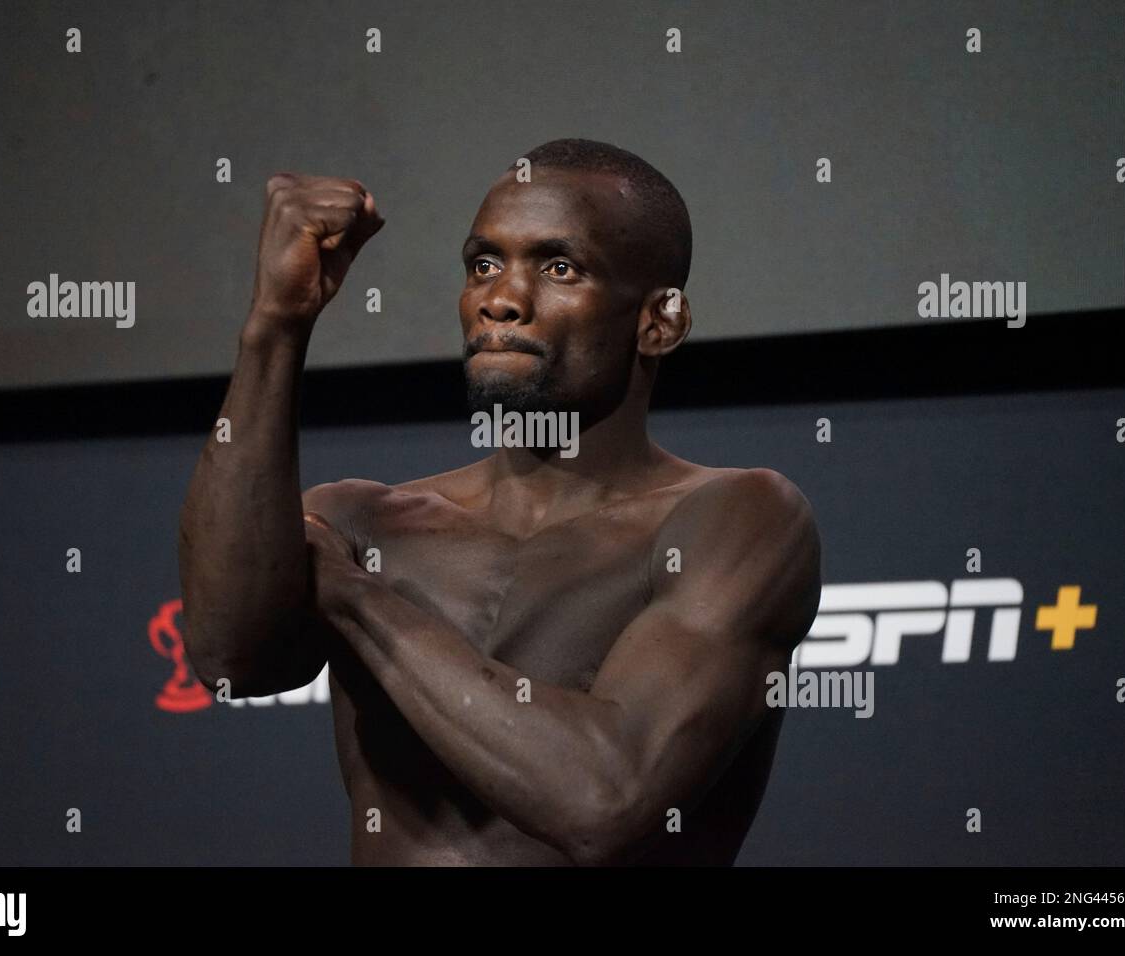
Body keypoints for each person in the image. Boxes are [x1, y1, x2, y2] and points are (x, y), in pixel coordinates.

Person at [179, 138, 822, 865]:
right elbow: (230, 659)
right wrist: (276, 322)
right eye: (484, 264)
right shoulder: (362, 520)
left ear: (660, 321)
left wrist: (354, 596)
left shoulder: (733, 518)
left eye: (558, 267)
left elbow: (606, 800)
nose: (501, 299)